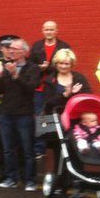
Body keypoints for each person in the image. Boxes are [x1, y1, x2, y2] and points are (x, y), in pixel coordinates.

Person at [0, 37, 40, 191]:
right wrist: (0, 76)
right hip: (6, 113)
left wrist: (15, 75)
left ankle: (30, 180)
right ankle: (11, 178)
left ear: (23, 52)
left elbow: (30, 88)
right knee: (8, 149)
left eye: (14, 49)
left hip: (24, 114)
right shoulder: (6, 66)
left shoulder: (32, 68)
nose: (10, 51)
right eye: (9, 49)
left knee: (27, 149)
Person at [42, 48, 94, 184]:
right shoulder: (50, 80)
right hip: (57, 121)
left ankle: (78, 181)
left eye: (67, 64)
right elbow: (48, 103)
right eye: (61, 63)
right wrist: (65, 95)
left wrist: (76, 94)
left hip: (76, 121)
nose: (63, 66)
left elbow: (88, 96)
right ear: (56, 64)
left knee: (76, 151)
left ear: (72, 64)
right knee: (60, 152)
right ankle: (60, 182)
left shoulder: (79, 78)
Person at [29, 21, 71, 157]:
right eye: (46, 29)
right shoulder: (37, 46)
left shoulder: (64, 46)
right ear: (42, 31)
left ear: (56, 31)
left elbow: (67, 65)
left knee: (57, 115)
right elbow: (30, 64)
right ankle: (40, 148)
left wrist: (48, 67)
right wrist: (39, 68)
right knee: (40, 117)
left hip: (56, 87)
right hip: (39, 88)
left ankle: (59, 146)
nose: (49, 32)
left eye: (51, 29)